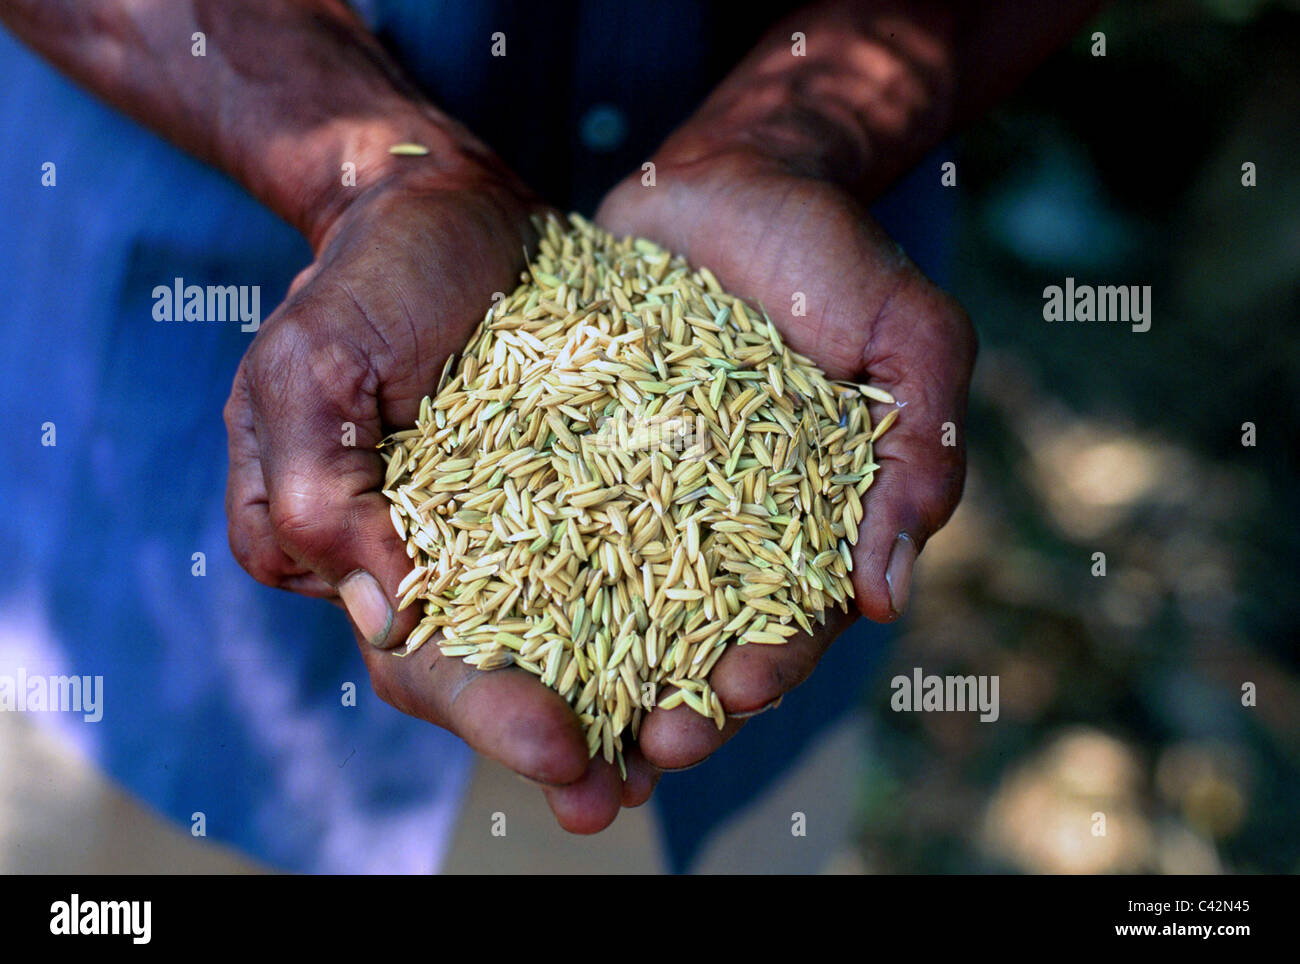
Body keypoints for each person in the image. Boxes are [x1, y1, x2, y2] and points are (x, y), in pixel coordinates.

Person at [0, 0, 1095, 872]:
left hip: (731, 727)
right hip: (140, 537)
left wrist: (797, 135)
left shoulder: (751, 475)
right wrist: (368, 165)